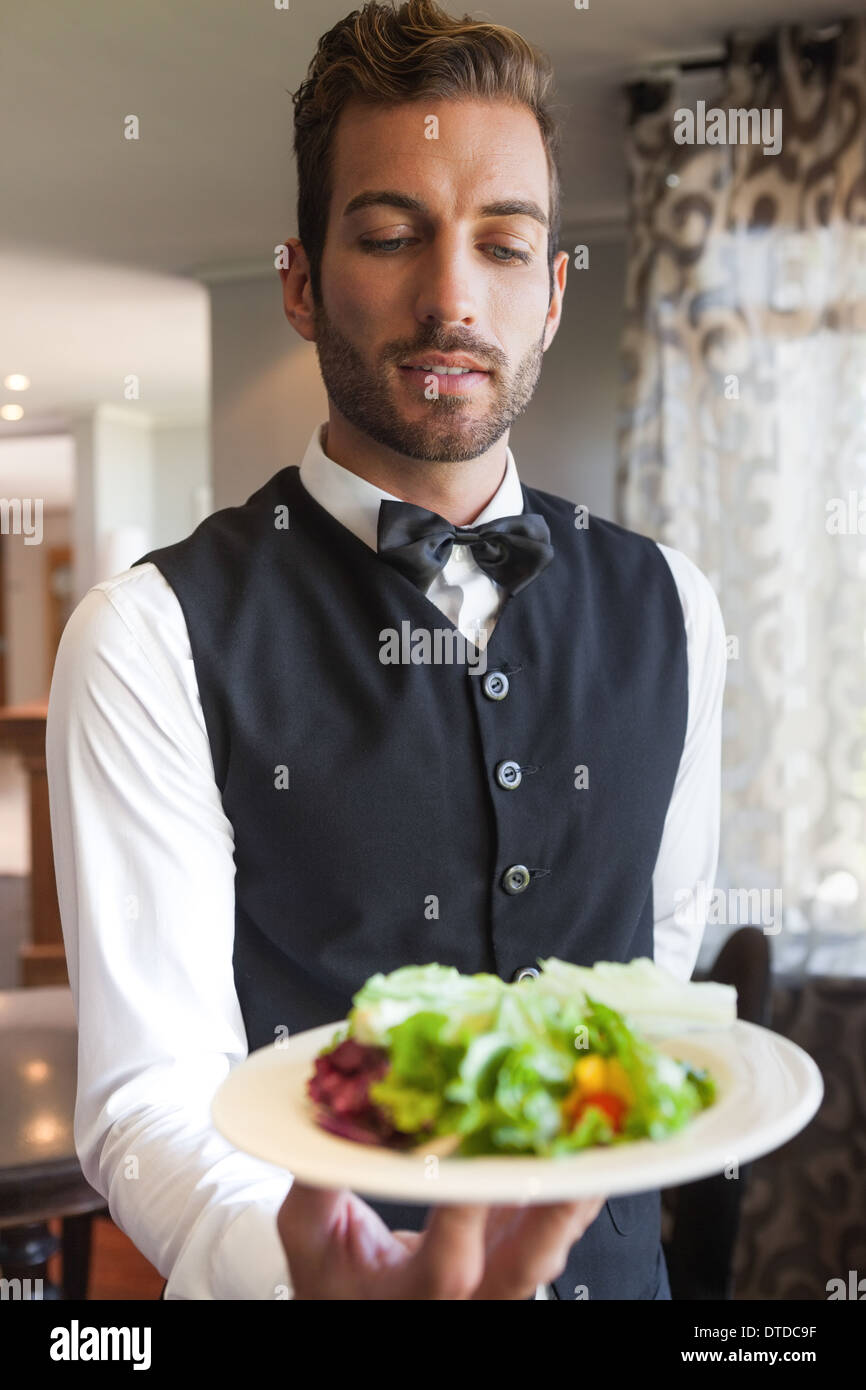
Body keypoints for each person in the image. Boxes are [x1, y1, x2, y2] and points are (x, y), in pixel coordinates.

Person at [46, 0, 726, 1301]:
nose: (450, 295)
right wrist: (311, 1271)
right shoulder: (147, 636)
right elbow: (150, 1095)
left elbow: (660, 950)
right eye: (389, 234)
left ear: (551, 291)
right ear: (300, 280)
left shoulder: (676, 608)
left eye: (502, 243)